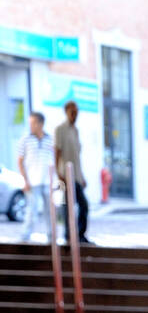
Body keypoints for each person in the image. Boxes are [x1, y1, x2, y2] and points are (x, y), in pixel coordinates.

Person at [53, 100, 91, 244]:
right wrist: (58, 175)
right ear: (67, 112)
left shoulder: (76, 131)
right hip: (65, 176)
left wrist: (82, 177)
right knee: (68, 207)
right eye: (72, 112)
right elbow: (56, 152)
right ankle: (69, 236)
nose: (75, 115)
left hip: (77, 176)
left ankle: (80, 234)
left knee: (84, 205)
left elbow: (77, 157)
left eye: (77, 112)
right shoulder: (60, 129)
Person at [16, 111, 54, 243]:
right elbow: (20, 161)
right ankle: (24, 239)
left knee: (50, 211)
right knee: (31, 211)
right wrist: (25, 181)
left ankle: (51, 239)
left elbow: (53, 159)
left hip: (47, 181)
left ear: (40, 124)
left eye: (33, 123)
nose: (31, 126)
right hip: (32, 181)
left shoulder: (50, 139)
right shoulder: (25, 140)